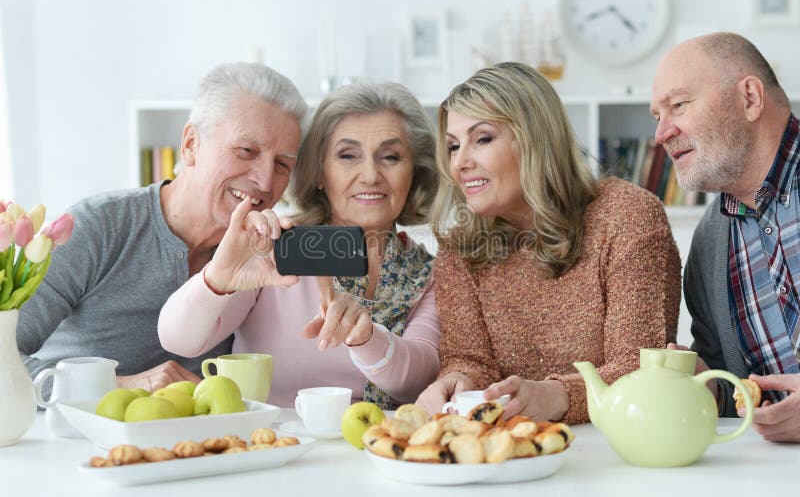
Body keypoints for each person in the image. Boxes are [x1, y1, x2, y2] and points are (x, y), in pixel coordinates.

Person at [415, 62, 681, 424]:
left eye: (483, 139)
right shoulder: (460, 248)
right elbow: (471, 360)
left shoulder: (626, 216)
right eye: (452, 146)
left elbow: (643, 368)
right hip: (509, 452)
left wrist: (556, 396)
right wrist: (455, 382)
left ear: (535, 139)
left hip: (617, 448)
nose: (460, 162)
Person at [18, 62, 306, 393]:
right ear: (190, 144)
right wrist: (117, 387)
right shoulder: (97, 226)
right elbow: (4, 358)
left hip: (201, 442)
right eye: (246, 151)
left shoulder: (265, 255)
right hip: (69, 438)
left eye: (283, 164)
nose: (266, 180)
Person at [158, 82, 440, 409]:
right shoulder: (276, 242)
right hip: (275, 445)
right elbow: (179, 340)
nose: (370, 175)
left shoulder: (427, 272)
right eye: (348, 156)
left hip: (377, 450)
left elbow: (418, 379)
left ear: (415, 172)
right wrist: (218, 277)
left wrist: (365, 337)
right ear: (320, 172)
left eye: (390, 157)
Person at [651, 32, 800, 442]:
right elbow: (732, 394)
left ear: (750, 98)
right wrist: (697, 380)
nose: (661, 134)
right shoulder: (709, 241)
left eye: (678, 105)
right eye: (656, 117)